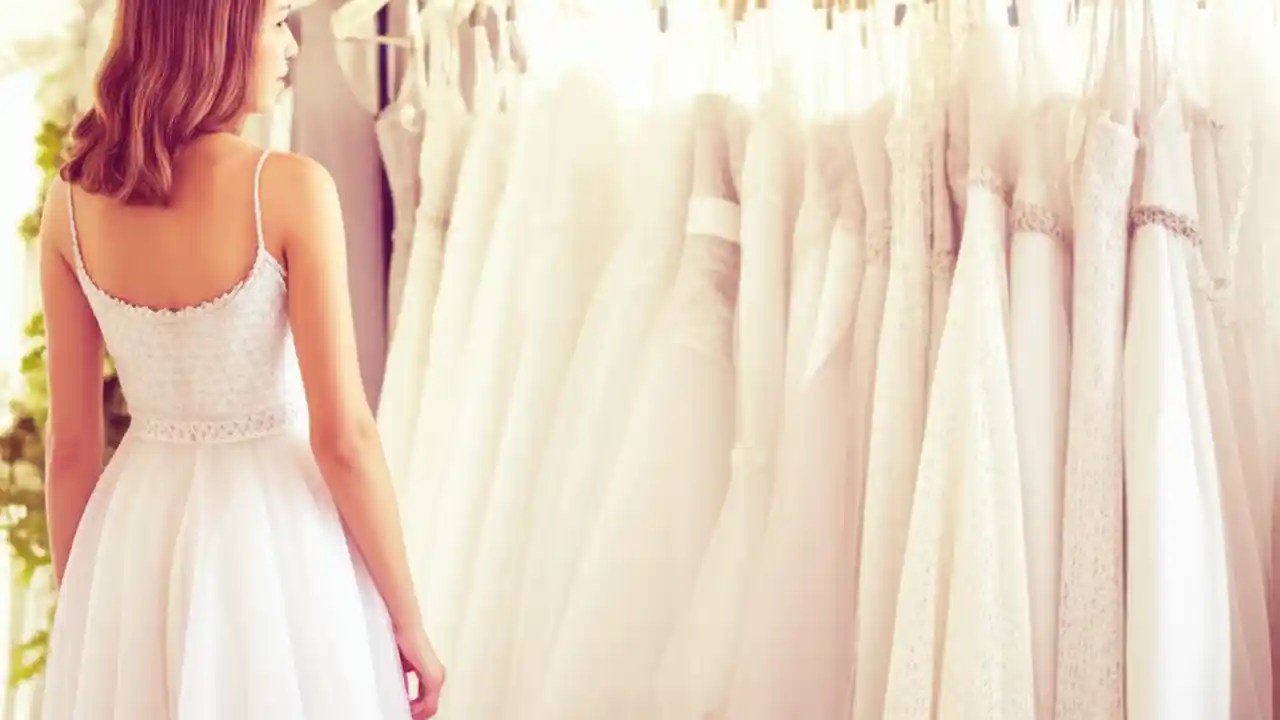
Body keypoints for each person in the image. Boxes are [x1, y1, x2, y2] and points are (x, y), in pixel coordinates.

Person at [35, 0, 445, 717]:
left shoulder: (69, 202)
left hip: (137, 535)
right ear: (217, 34)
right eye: (276, 22)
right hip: (276, 537)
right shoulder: (290, 189)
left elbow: (71, 447)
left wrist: (86, 617)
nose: (292, 45)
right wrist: (408, 621)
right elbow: (344, 439)